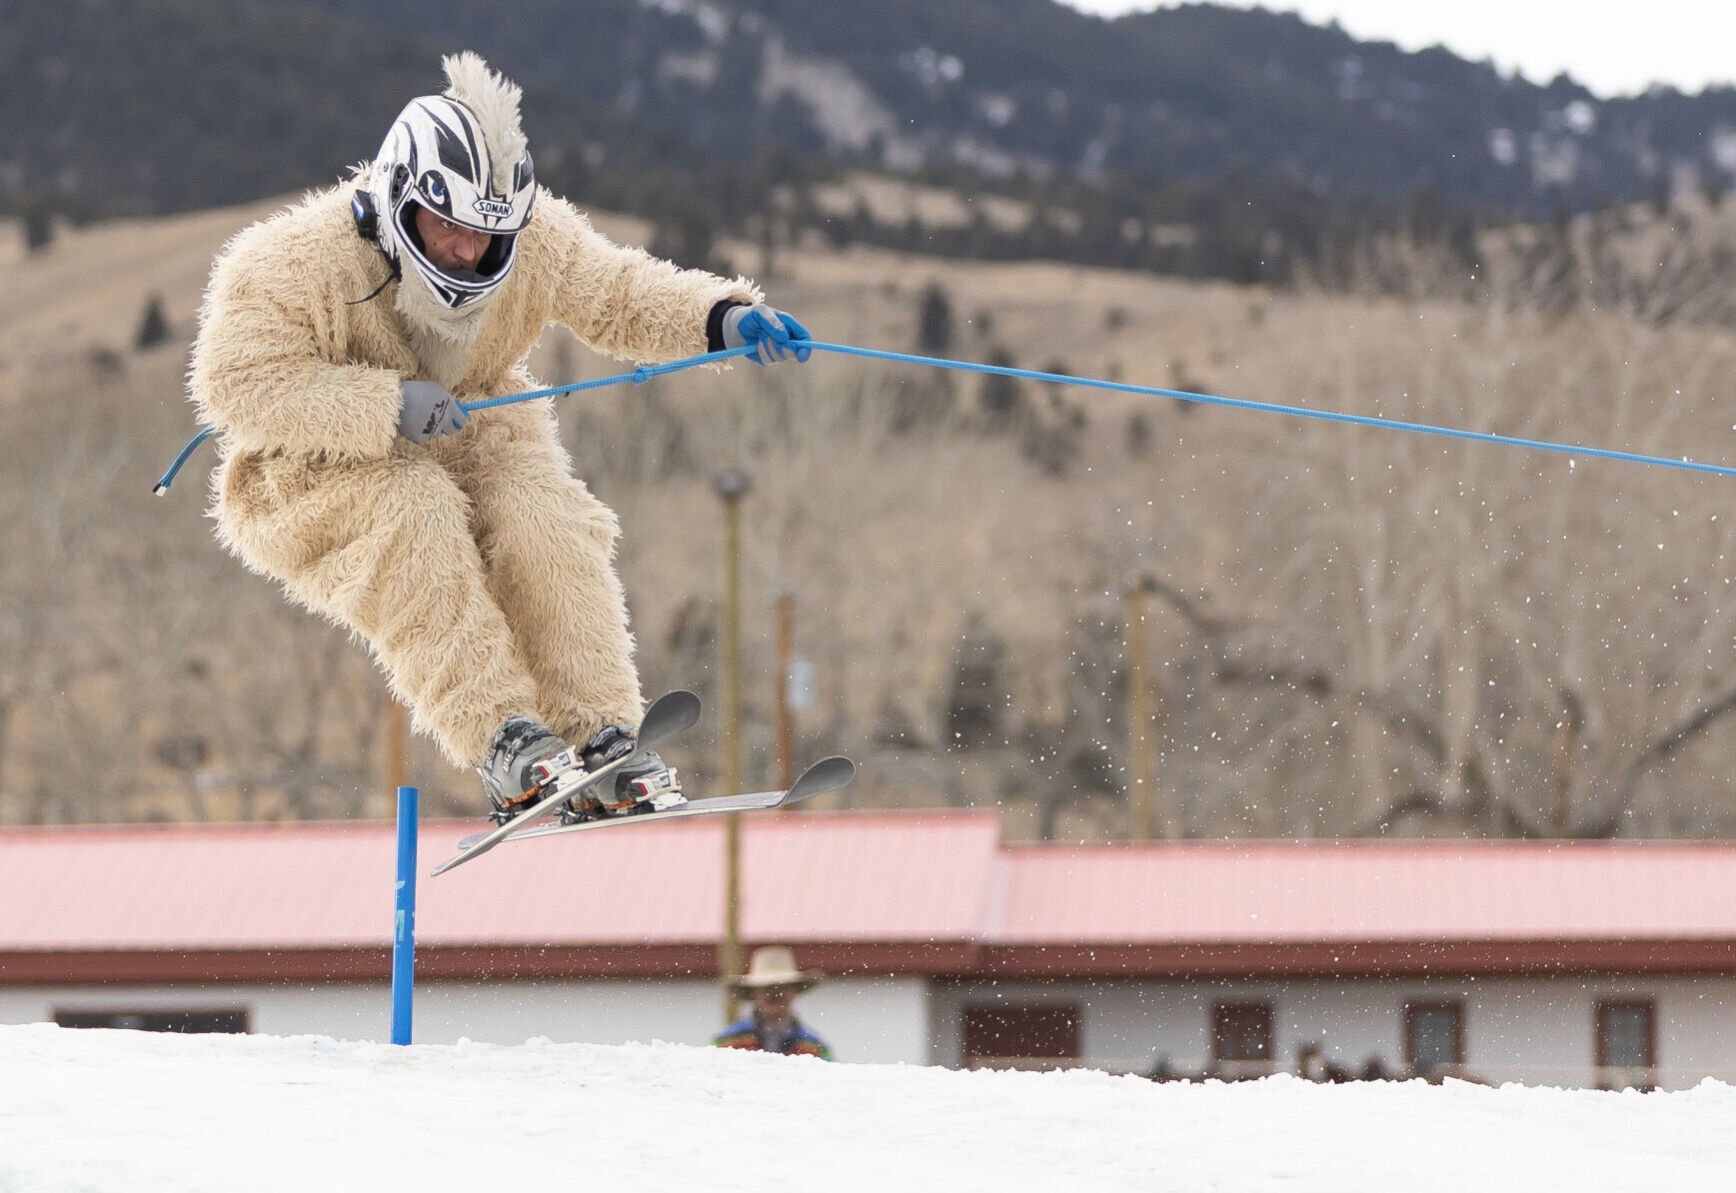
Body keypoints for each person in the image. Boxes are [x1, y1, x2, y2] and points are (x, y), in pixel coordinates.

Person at [187, 53, 812, 822]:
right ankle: (502, 736)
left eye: (486, 235)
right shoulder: (290, 262)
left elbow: (615, 293)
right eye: (446, 226)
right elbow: (238, 384)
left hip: (478, 426)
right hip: (318, 461)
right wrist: (383, 405)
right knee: (414, 511)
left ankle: (602, 734)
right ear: (398, 198)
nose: (464, 251)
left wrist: (720, 317)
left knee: (544, 518)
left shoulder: (534, 240)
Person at [712, 946, 833, 1059]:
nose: (775, 994)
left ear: (795, 991)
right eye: (766, 988)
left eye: (782, 987)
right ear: (753, 993)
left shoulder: (815, 1047)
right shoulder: (727, 1043)